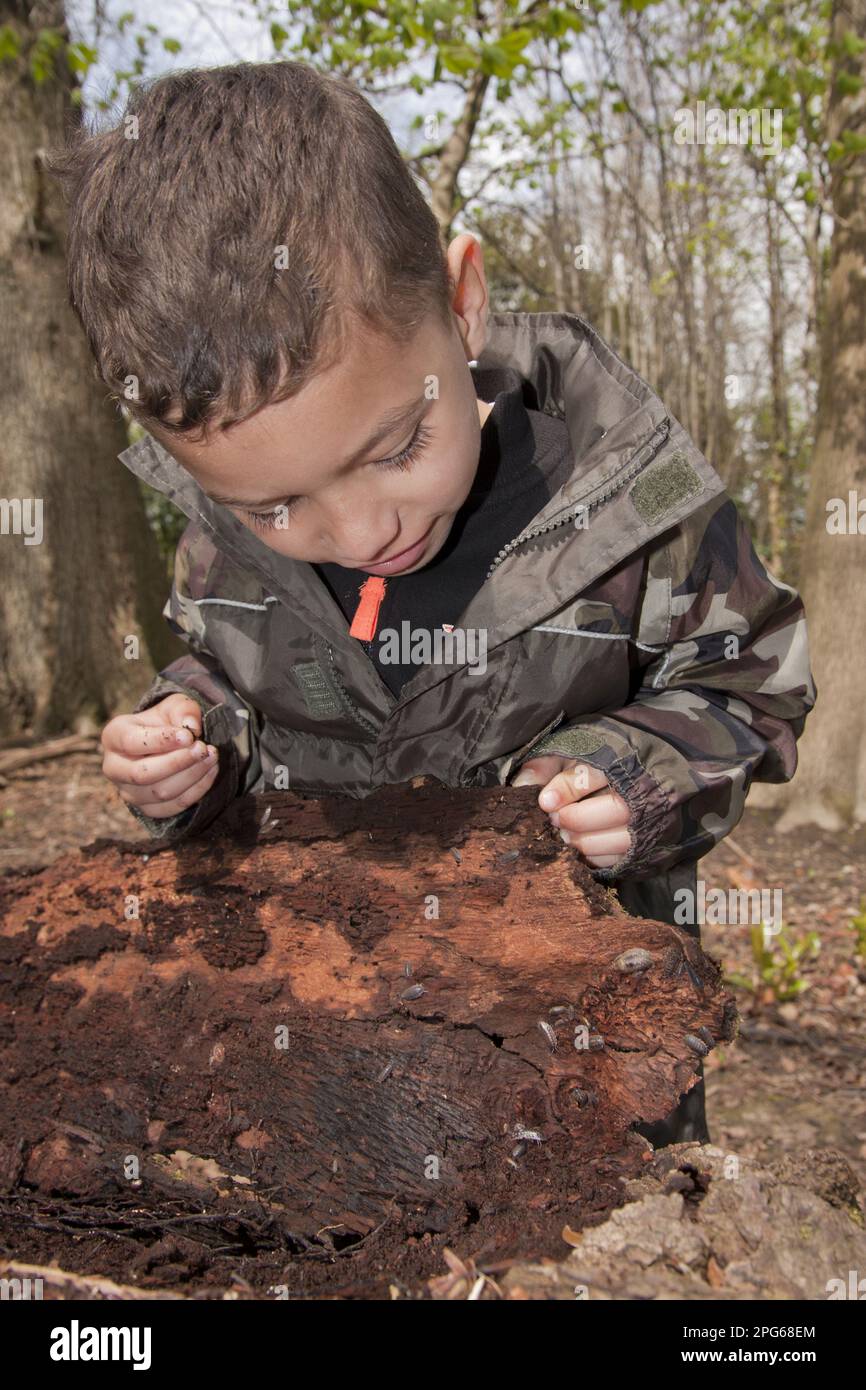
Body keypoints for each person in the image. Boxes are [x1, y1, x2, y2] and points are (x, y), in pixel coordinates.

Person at [49, 61, 816, 1146]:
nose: (363, 532)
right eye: (275, 506)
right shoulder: (224, 545)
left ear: (460, 305)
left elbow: (751, 682)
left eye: (397, 447)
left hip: (582, 1060)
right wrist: (186, 741)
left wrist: (639, 771)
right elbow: (220, 671)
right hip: (320, 1046)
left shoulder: (631, 508)